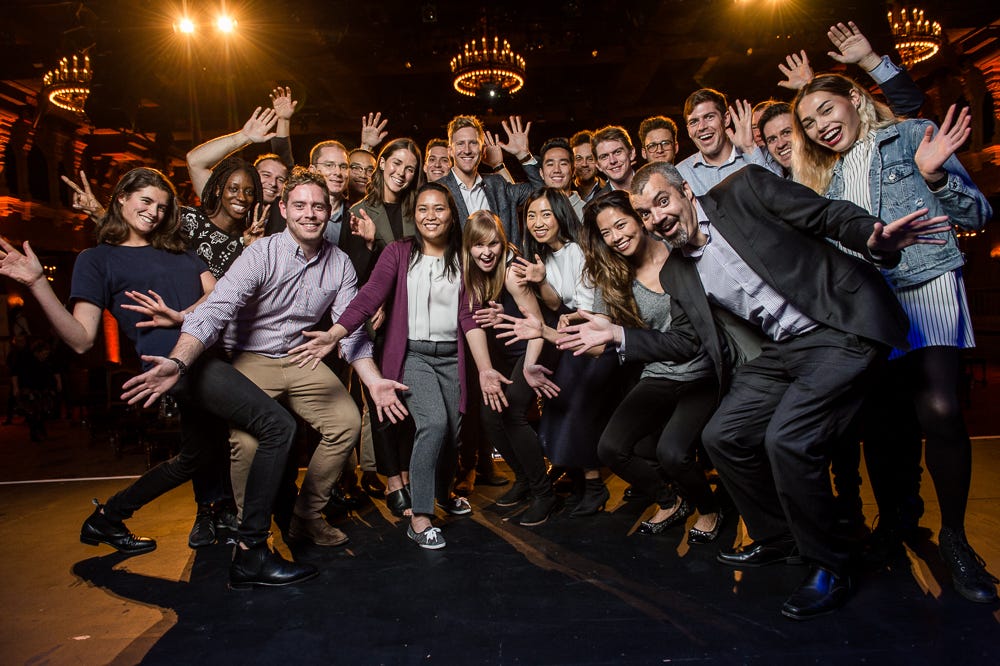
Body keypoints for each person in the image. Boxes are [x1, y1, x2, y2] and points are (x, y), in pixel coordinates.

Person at [562, 160, 948, 619]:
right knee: (722, 436)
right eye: (645, 213)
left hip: (839, 325)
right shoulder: (680, 272)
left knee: (787, 441)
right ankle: (778, 538)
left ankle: (831, 564)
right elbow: (685, 340)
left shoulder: (743, 192)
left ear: (687, 190)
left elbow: (825, 215)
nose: (657, 218)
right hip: (783, 349)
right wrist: (617, 336)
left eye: (662, 202)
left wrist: (871, 236)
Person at [1, 168, 315, 588]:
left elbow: (218, 294)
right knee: (277, 426)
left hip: (207, 356)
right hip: (177, 369)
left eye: (162, 206)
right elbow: (80, 339)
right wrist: (39, 284)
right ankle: (252, 552)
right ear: (122, 200)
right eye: (145, 201)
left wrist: (183, 313)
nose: (153, 212)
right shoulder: (97, 260)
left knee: (194, 457)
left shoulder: (181, 253)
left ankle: (107, 517)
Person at [122, 167, 409, 550]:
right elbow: (215, 311)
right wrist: (178, 363)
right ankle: (250, 533)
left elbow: (350, 330)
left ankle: (305, 515)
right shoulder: (260, 254)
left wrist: (373, 382)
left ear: (328, 212)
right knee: (250, 442)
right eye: (301, 205)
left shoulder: (339, 263)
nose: (310, 214)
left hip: (301, 357)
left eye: (318, 207)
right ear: (284, 210)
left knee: (345, 421)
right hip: (249, 359)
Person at [792, 74, 997, 603]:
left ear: (855, 98)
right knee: (881, 425)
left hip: (926, 282)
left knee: (941, 410)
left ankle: (955, 540)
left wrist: (934, 179)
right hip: (870, 304)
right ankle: (896, 522)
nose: (820, 128)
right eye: (809, 123)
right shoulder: (826, 176)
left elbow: (977, 213)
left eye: (826, 110)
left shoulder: (911, 136)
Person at [300, 182, 510, 549]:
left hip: (452, 357)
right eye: (424, 209)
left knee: (453, 434)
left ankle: (443, 495)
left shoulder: (462, 258)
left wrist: (485, 369)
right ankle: (420, 517)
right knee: (433, 423)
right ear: (414, 215)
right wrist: (335, 334)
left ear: (451, 214)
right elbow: (369, 296)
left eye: (439, 209)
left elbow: (470, 318)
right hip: (413, 355)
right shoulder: (398, 253)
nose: (431, 216)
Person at [580, 192, 723, 541]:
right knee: (610, 448)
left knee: (672, 452)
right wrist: (547, 332)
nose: (616, 237)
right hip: (658, 373)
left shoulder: (679, 252)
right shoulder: (612, 275)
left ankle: (709, 508)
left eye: (621, 224)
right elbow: (599, 340)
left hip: (699, 372)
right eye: (606, 232)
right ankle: (670, 500)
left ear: (640, 219)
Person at [512, 187, 620, 516]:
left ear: (560, 215)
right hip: (572, 339)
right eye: (531, 216)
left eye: (545, 214)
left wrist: (564, 319)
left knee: (574, 403)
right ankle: (578, 479)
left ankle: (595, 485)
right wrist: (541, 280)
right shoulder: (541, 257)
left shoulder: (579, 250)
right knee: (557, 400)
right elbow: (556, 302)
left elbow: (586, 310)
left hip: (598, 340)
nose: (538, 222)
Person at [462, 210, 557, 525]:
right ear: (469, 248)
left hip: (532, 350)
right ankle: (524, 480)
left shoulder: (512, 272)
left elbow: (537, 325)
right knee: (489, 415)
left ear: (502, 244)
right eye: (478, 246)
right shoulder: (473, 274)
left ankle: (544, 492)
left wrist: (530, 367)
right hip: (507, 353)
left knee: (513, 413)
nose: (486, 252)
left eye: (493, 245)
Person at [438, 115, 544, 247]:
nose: (467, 150)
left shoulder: (497, 184)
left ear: (483, 150)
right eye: (460, 143)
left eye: (473, 143)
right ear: (450, 151)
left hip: (506, 267)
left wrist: (523, 155)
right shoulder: (438, 190)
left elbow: (542, 192)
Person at [675, 89, 773, 195]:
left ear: (726, 119)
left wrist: (749, 149)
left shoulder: (761, 155)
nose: (701, 127)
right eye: (694, 122)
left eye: (709, 117)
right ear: (688, 130)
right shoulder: (681, 173)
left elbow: (779, 198)